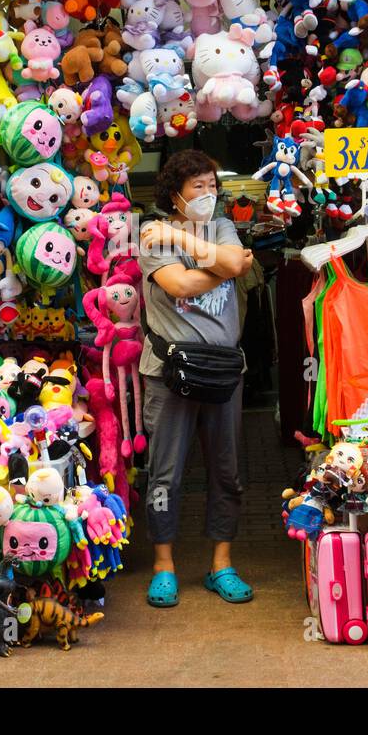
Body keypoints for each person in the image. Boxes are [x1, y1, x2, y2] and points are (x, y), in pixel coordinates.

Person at [138, 149, 253, 608]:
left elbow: (234, 265)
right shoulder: (149, 234)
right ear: (174, 195)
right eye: (198, 188)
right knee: (165, 473)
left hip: (223, 370)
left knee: (227, 472)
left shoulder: (220, 224)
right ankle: (163, 566)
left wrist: (185, 243)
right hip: (168, 371)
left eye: (212, 186)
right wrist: (225, 266)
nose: (208, 195)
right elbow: (181, 286)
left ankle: (220, 564)